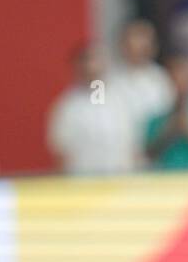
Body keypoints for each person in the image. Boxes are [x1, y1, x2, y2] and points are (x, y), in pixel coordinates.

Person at [47, 44, 141, 175]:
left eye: (95, 61)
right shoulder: (67, 107)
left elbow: (134, 146)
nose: (91, 67)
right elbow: (61, 154)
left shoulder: (122, 100)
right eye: (86, 62)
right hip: (84, 187)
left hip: (122, 183)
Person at [114, 19, 175, 132]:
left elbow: (167, 115)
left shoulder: (161, 78)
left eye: (146, 40)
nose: (142, 46)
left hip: (154, 144)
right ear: (123, 44)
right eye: (136, 39)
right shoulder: (109, 79)